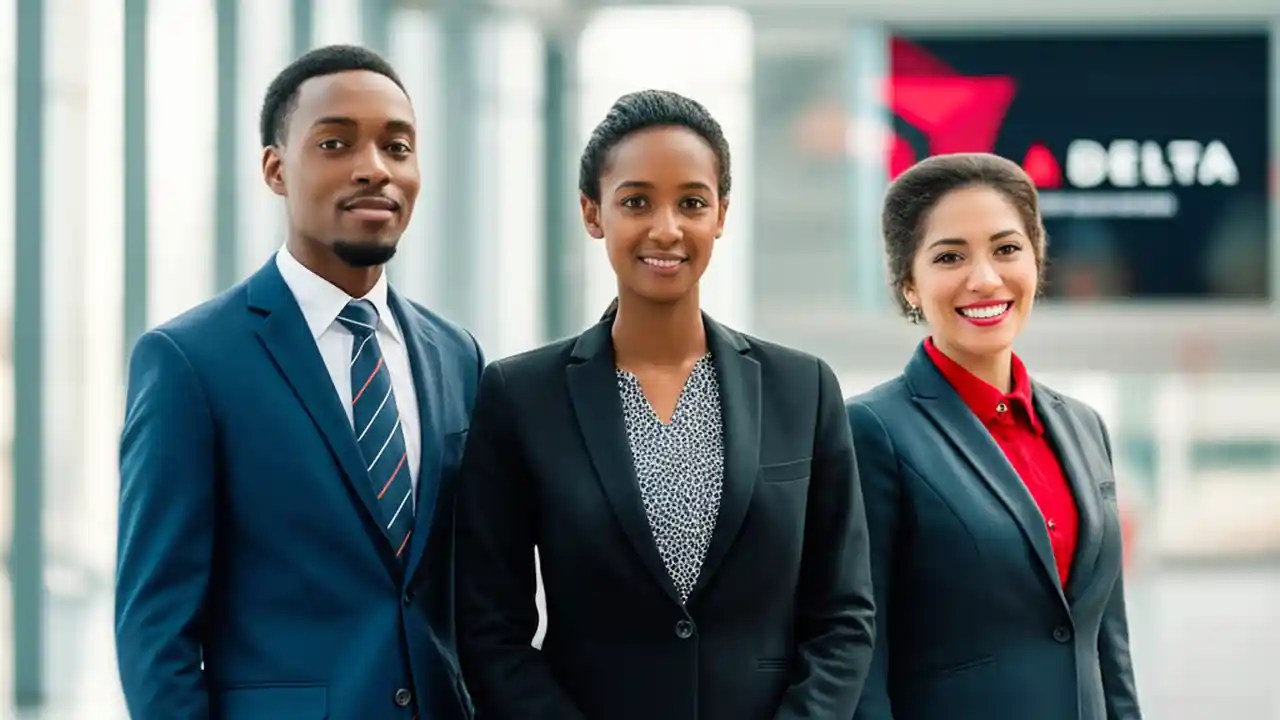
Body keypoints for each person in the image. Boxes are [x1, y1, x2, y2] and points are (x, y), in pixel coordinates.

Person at [453, 89, 875, 720]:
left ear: (722, 215)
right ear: (593, 213)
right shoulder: (520, 397)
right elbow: (489, 628)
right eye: (636, 202)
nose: (667, 228)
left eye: (692, 203)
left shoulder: (803, 388)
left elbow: (843, 614)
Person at [115, 45, 481, 719]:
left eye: (397, 148)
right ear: (276, 169)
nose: (374, 168)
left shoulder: (455, 355)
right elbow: (153, 630)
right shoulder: (189, 362)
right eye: (336, 143)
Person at [847, 153, 1141, 720]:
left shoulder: (1083, 427)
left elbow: (1109, 645)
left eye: (1007, 249)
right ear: (909, 283)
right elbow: (861, 658)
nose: (985, 278)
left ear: (1036, 259)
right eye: (950, 256)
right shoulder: (869, 431)